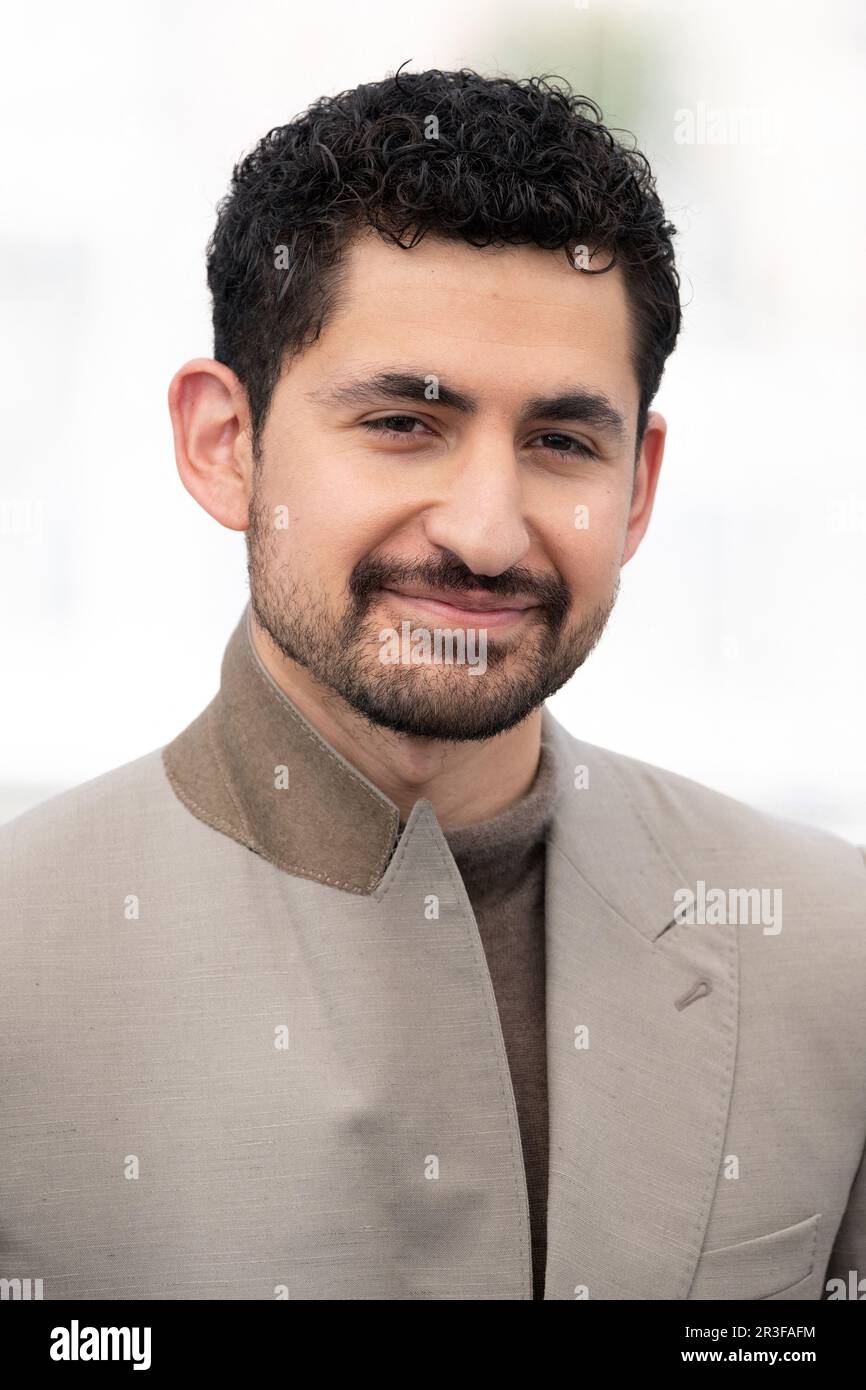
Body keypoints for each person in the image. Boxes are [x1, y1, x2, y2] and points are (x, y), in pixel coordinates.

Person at [2, 69, 864, 1302]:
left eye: (561, 441)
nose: (485, 533)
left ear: (636, 487)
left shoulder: (832, 949)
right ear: (224, 446)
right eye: (405, 422)